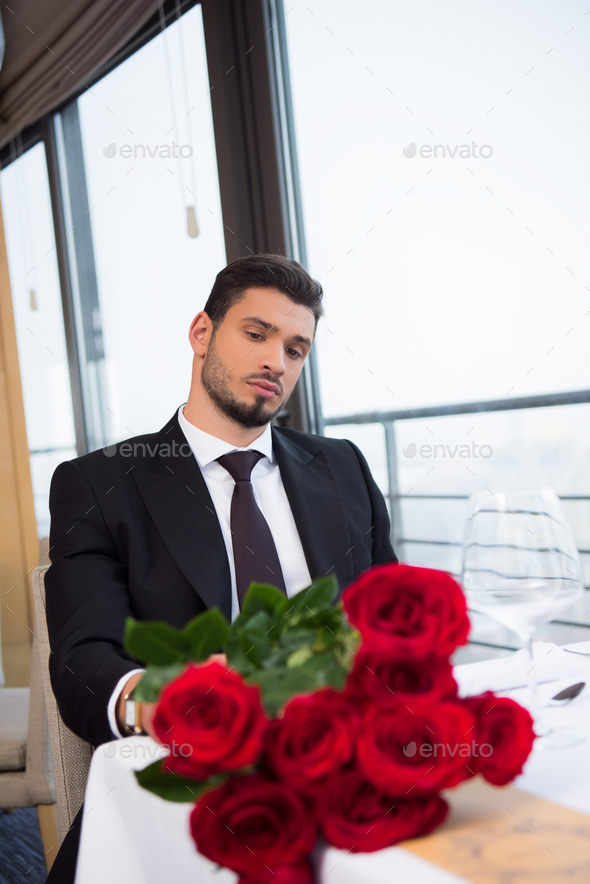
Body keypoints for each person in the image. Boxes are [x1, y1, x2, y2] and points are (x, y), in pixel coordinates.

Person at [45, 253, 396, 881]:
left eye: (296, 349)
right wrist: (160, 699)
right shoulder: (99, 485)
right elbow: (82, 661)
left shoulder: (343, 467)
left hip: (343, 768)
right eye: (256, 335)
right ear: (202, 333)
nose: (275, 363)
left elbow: (388, 627)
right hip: (192, 786)